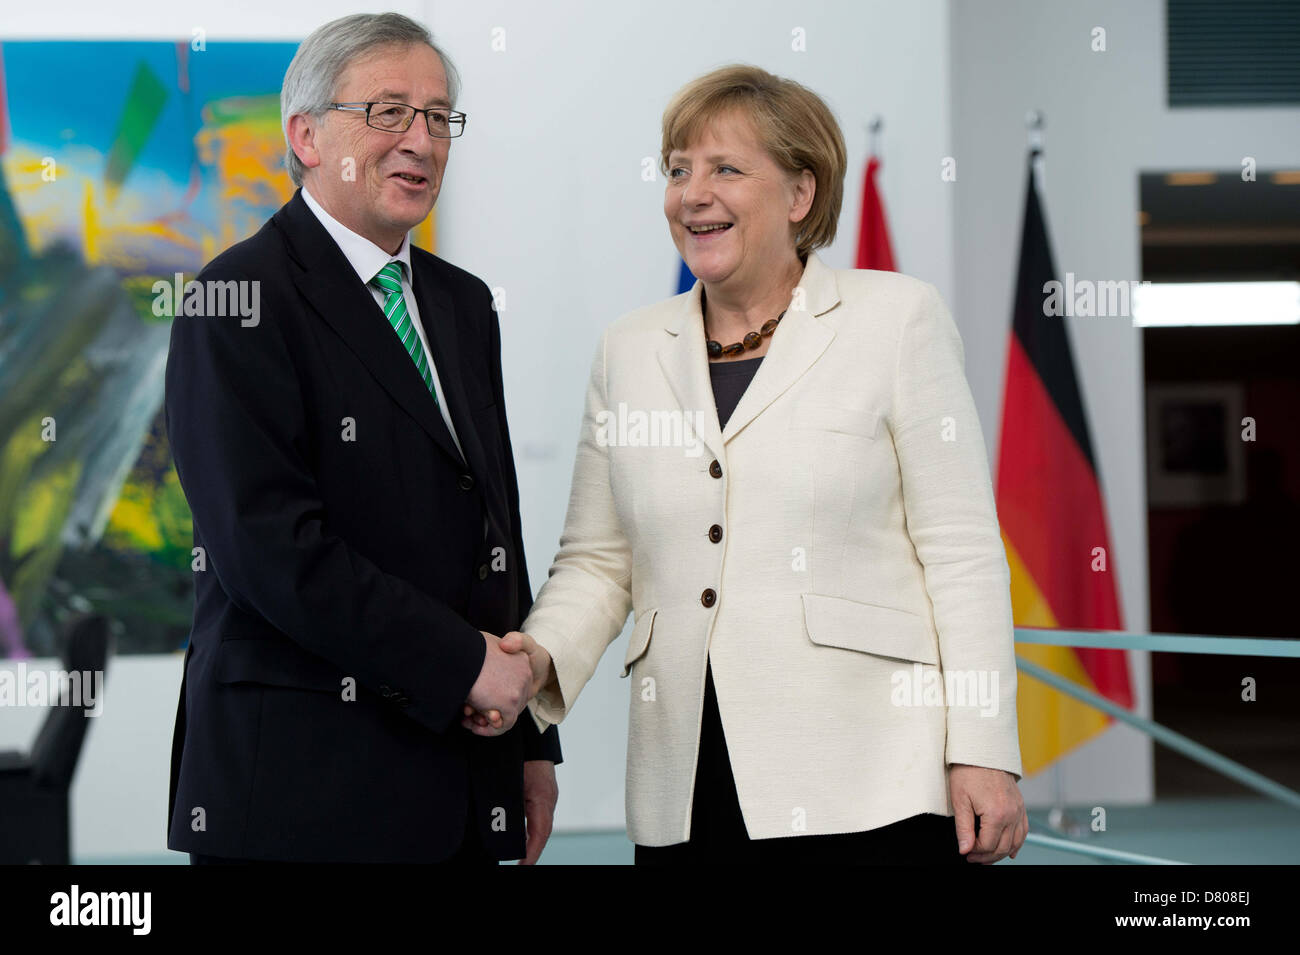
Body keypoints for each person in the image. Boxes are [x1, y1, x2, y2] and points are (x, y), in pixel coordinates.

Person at [468, 65, 1027, 864]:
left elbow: (964, 553)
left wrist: (983, 744)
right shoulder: (628, 349)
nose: (693, 193)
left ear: (800, 195)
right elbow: (599, 561)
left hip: (872, 780)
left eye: (726, 169)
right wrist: (534, 660)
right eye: (678, 170)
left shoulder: (897, 319)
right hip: (686, 784)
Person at [165, 12, 559, 865]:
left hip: (462, 781)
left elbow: (496, 527)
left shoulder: (463, 303)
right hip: (302, 796)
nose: (422, 139)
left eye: (439, 116)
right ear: (305, 135)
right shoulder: (233, 299)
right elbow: (271, 551)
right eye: (388, 112)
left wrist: (529, 740)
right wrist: (461, 662)